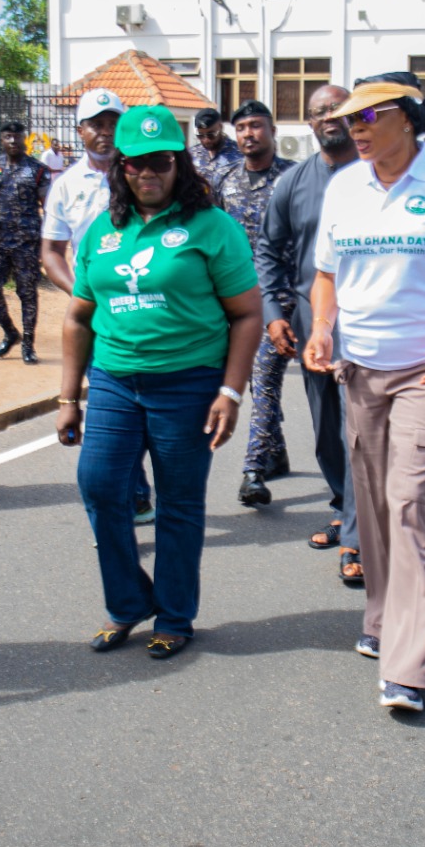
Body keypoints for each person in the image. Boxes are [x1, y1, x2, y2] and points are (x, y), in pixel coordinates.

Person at [304, 79, 425, 714]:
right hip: (360, 370)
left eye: (369, 117)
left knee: (408, 500)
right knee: (372, 505)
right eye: (349, 120)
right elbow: (327, 275)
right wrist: (321, 328)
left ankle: (410, 667)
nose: (355, 129)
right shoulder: (344, 188)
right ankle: (384, 617)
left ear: (408, 122)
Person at [58, 105, 262, 659]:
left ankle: (173, 614)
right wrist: (67, 397)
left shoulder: (212, 227)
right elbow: (78, 317)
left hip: (188, 385)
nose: (149, 174)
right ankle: (128, 604)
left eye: (162, 163)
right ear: (119, 167)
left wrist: (230, 391)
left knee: (178, 502)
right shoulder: (102, 230)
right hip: (114, 382)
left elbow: (247, 315)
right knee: (99, 485)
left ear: (181, 165)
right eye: (136, 164)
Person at [259, 84, 363, 584]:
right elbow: (268, 250)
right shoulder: (292, 183)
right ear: (308, 122)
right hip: (310, 323)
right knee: (326, 430)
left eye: (336, 110)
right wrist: (273, 313)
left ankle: (359, 540)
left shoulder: (377, 176)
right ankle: (345, 507)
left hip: (367, 321)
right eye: (319, 112)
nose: (329, 118)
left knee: (357, 429)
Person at [42, 88, 155, 524]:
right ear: (80, 130)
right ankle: (131, 492)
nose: (105, 133)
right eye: (96, 124)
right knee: (113, 399)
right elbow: (51, 251)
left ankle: (136, 488)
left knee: (147, 398)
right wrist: (80, 292)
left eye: (112, 124)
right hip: (93, 315)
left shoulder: (145, 175)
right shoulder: (66, 186)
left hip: (149, 306)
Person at [216, 100, 296, 507]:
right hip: (240, 301)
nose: (249, 134)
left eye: (257, 126)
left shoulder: (292, 178)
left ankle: (253, 471)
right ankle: (275, 453)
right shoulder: (225, 180)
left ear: (272, 130)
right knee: (259, 380)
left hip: (286, 299)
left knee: (262, 377)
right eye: (242, 127)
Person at [0, 120, 52, 363]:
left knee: (27, 292)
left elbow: (48, 207)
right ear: (1, 139)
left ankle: (28, 342)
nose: (12, 141)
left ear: (24, 138)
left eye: (17, 136)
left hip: (26, 242)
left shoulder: (38, 169)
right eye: (7, 136)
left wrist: (48, 244)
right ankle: (10, 332)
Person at [188, 107, 243, 187]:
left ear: (220, 127)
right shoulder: (191, 155)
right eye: (201, 135)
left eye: (211, 135)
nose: (206, 140)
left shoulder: (239, 154)